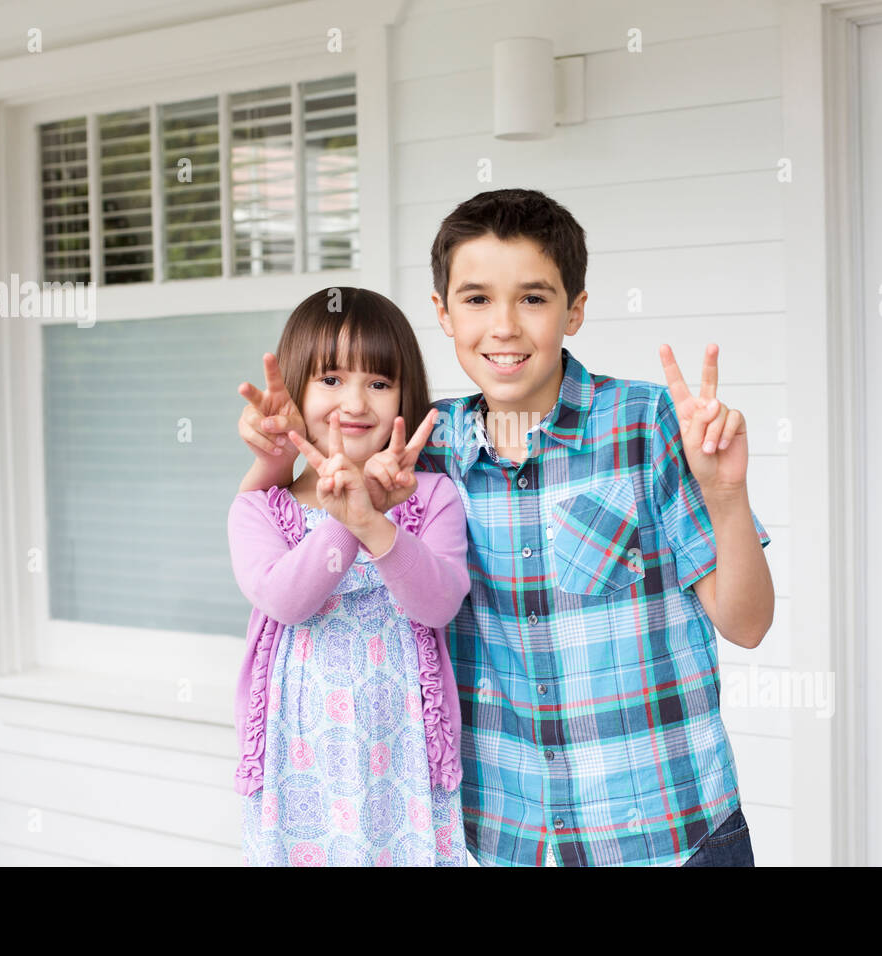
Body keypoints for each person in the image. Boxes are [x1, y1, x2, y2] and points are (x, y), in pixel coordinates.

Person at [235, 189, 775, 866]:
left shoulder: (649, 424)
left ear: (574, 309)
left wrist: (727, 495)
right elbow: (307, 512)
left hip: (671, 834)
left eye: (534, 298)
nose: (505, 327)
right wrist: (270, 455)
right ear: (443, 312)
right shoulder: (420, 451)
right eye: (478, 299)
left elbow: (747, 623)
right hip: (506, 844)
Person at [227, 286, 471, 866]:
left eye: (380, 383)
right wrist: (349, 520)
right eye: (331, 380)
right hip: (300, 761)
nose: (356, 403)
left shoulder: (432, 496)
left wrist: (376, 521)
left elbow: (437, 605)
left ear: (405, 394)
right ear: (295, 390)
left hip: (403, 757)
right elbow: (287, 600)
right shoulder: (261, 507)